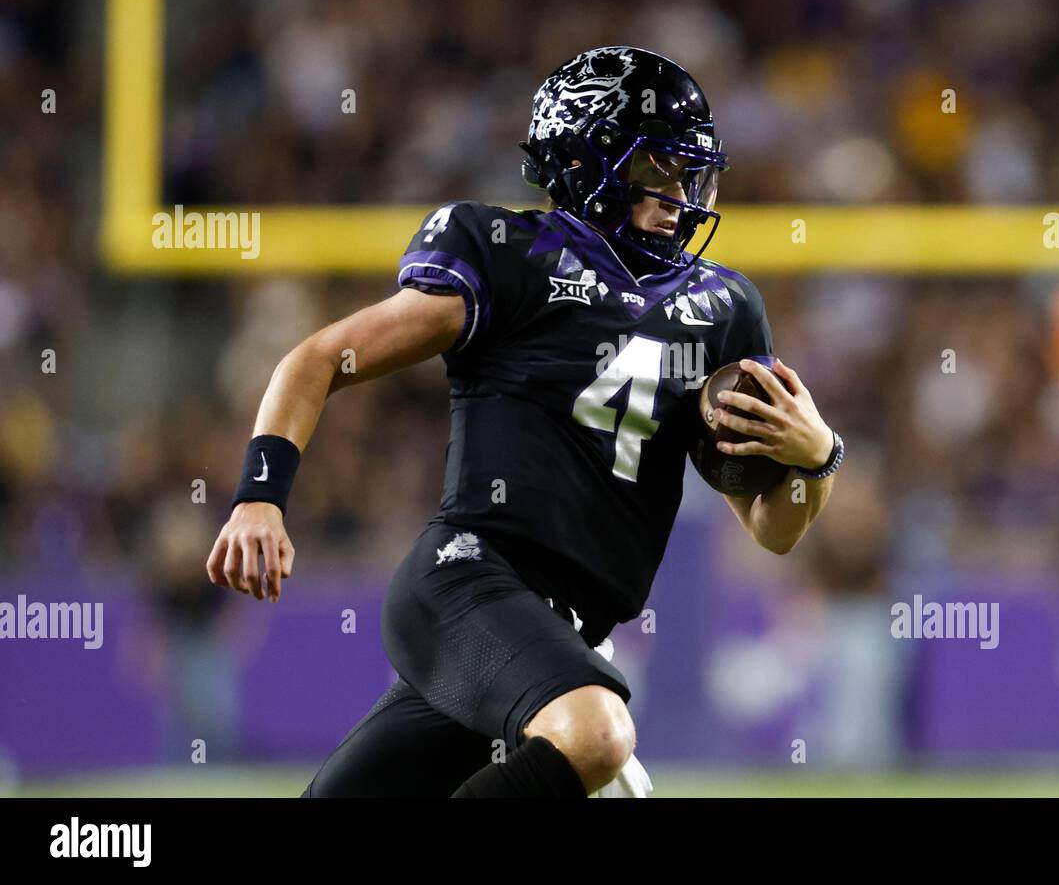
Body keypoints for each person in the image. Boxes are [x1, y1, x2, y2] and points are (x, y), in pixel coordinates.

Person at [205, 46, 844, 797]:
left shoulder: (725, 310)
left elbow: (776, 529)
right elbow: (315, 361)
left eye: (688, 173)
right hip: (468, 581)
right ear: (586, 160)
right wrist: (259, 496)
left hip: (547, 638)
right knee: (596, 732)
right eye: (656, 171)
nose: (680, 196)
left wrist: (817, 458)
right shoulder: (511, 252)